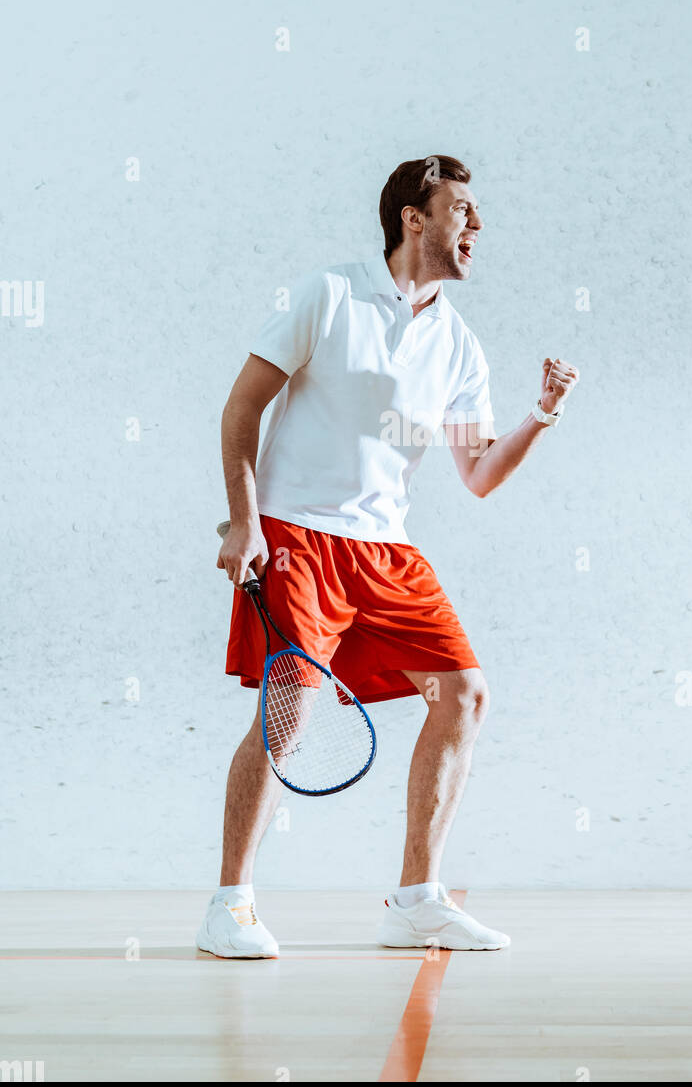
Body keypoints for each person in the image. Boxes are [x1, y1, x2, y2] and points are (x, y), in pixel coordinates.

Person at [196, 155, 579, 957]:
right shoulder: (328, 295)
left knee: (464, 695)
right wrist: (243, 523)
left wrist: (539, 417)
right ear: (414, 216)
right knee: (289, 711)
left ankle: (415, 899)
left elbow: (475, 473)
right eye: (462, 210)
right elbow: (240, 409)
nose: (476, 226)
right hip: (296, 531)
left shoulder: (458, 342)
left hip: (385, 549)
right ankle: (229, 905)